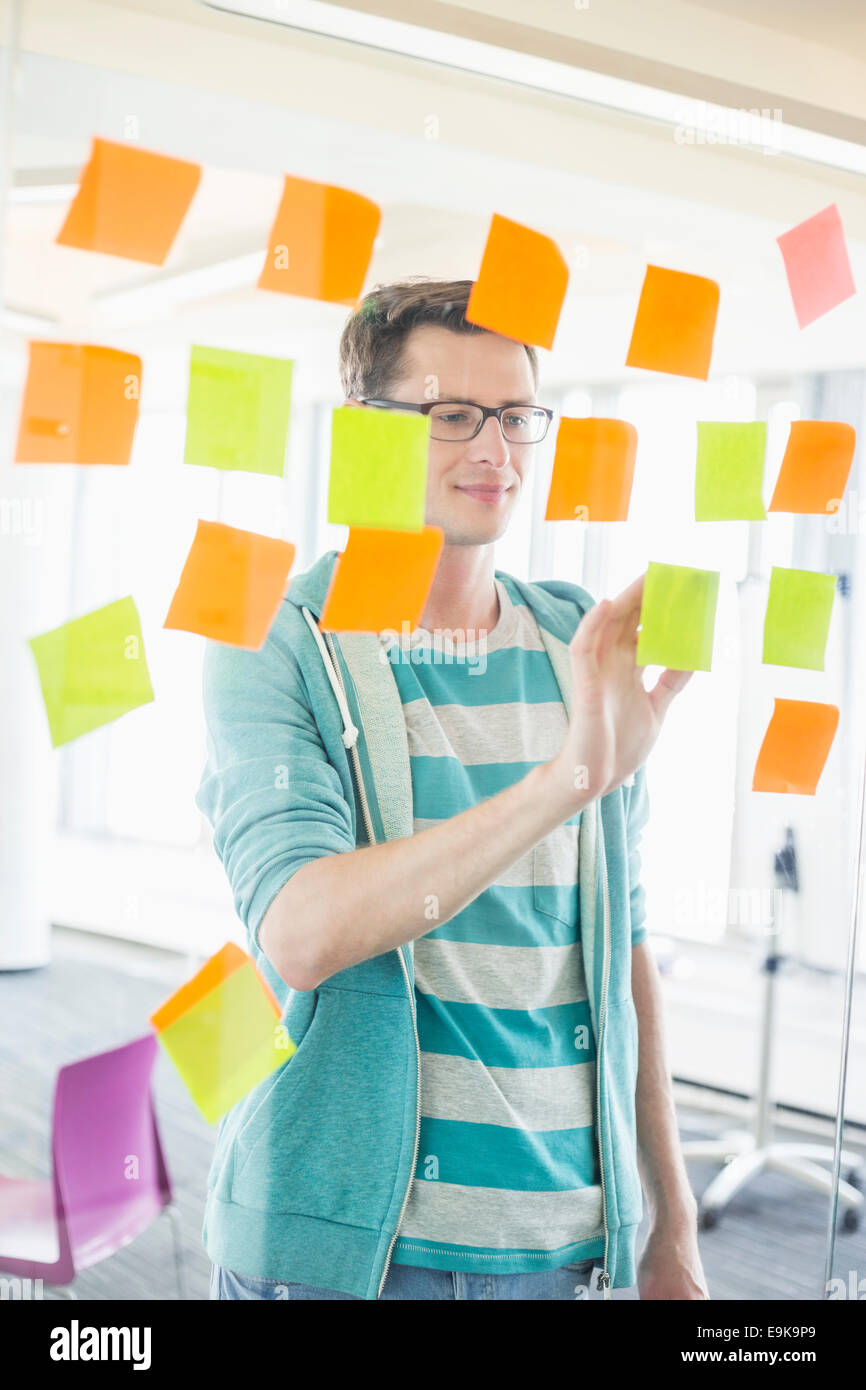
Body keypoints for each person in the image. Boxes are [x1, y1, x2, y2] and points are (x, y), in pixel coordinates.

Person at [197, 278, 710, 1301]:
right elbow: (302, 929)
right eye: (451, 417)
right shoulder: (278, 640)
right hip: (349, 1259)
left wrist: (671, 1224)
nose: (495, 453)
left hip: (564, 1249)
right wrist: (567, 782)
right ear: (365, 436)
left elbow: (626, 954)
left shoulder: (575, 635)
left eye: (517, 417)